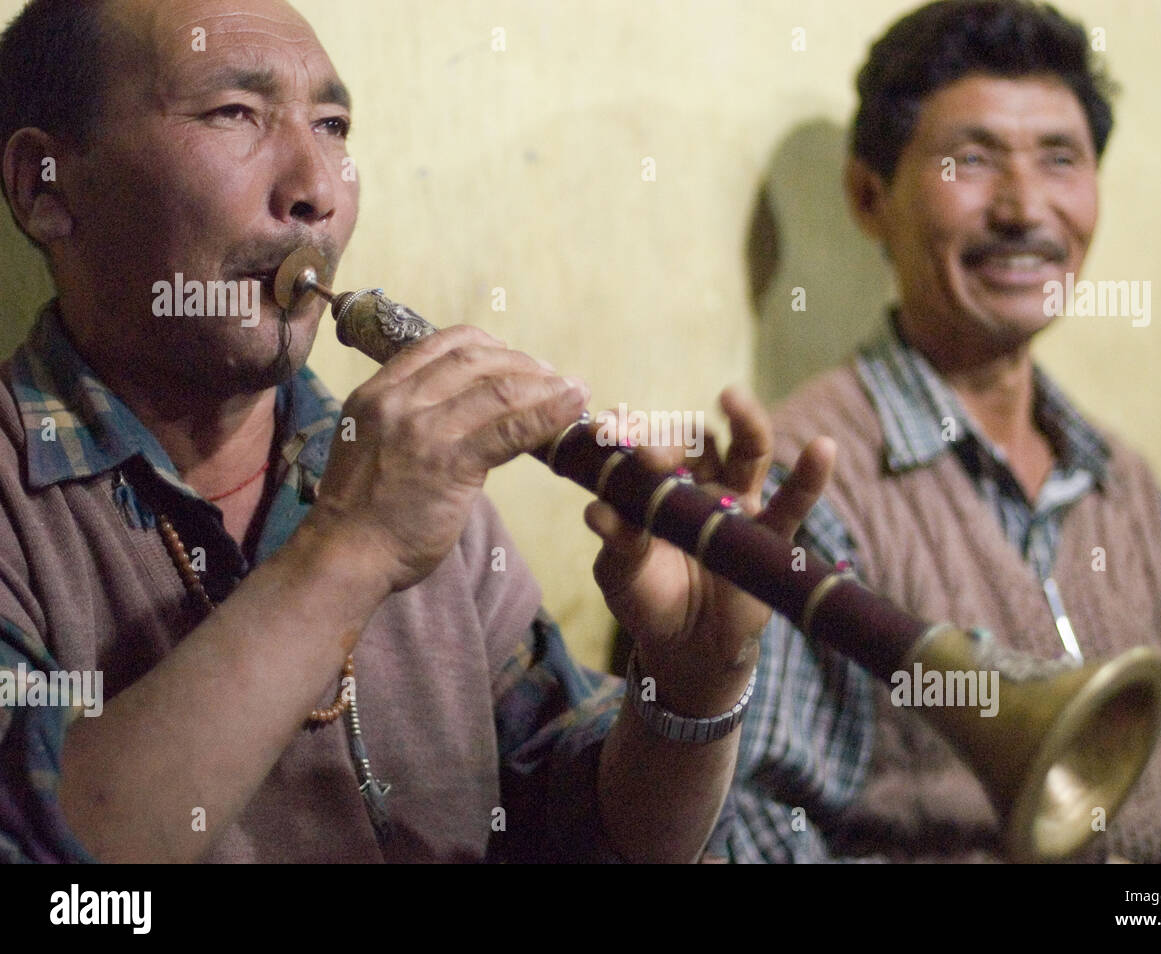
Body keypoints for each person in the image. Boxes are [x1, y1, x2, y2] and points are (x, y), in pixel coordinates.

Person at [0, 0, 834, 863]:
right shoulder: (385, 495)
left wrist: (693, 681)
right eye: (234, 114)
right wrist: (349, 549)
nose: (316, 190)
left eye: (333, 125)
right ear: (44, 186)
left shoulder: (404, 480)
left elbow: (584, 837)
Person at [728, 0, 1161, 863]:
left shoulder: (1133, 489)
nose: (1025, 208)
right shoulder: (799, 488)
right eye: (972, 160)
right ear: (868, 196)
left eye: (1061, 160)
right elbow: (755, 830)